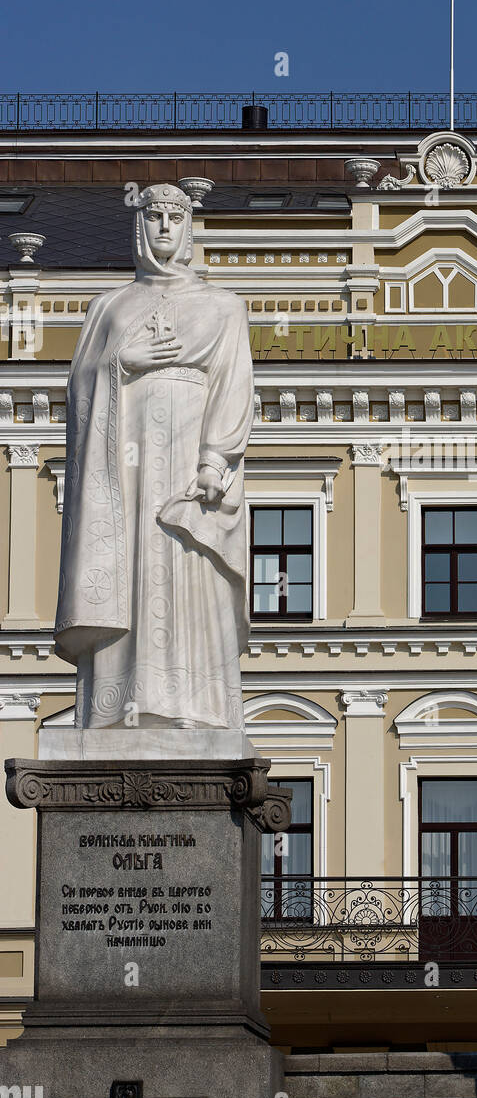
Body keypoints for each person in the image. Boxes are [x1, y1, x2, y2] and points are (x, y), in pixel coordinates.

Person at [55, 184, 254, 730]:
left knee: (187, 563)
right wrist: (120, 360)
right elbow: (78, 389)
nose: (163, 227)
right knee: (133, 563)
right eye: (153, 217)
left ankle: (196, 706)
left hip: (188, 461)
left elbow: (233, 384)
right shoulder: (109, 307)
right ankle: (120, 703)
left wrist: (215, 461)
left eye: (174, 217)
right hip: (124, 466)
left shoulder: (224, 306)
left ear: (188, 228)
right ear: (138, 227)